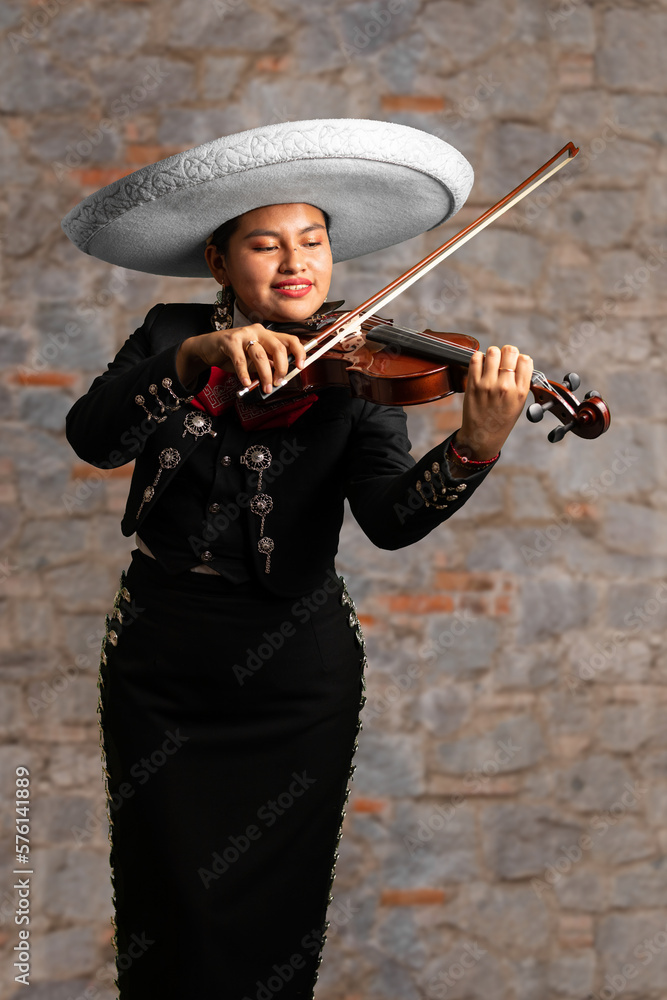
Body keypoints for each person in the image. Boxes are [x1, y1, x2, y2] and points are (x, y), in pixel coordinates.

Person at [62, 119, 533, 999]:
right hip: (161, 661)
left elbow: (389, 520)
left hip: (295, 674)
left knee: (275, 914)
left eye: (312, 241)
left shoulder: (364, 361)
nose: (295, 263)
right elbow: (95, 439)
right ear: (218, 261)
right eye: (265, 244)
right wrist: (191, 358)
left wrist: (473, 445)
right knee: (168, 904)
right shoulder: (168, 335)